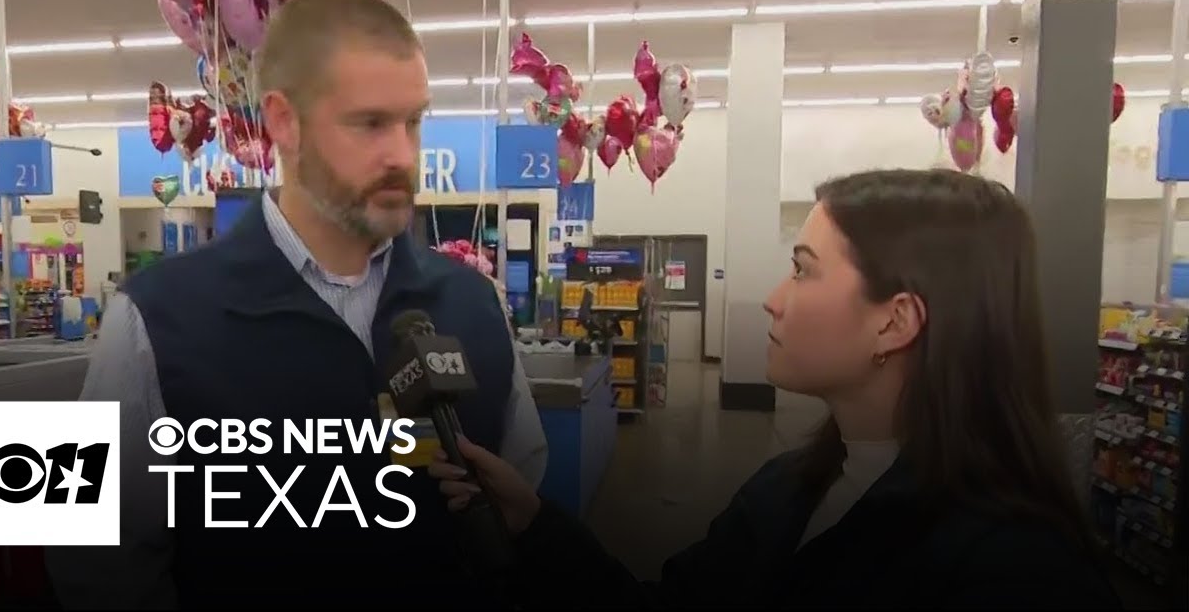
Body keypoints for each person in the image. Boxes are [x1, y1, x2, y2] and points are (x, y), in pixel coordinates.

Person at [46, 0, 547, 609]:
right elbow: (85, 560)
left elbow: (526, 501)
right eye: (369, 123)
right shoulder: (149, 316)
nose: (402, 154)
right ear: (284, 122)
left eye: (413, 120)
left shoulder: (476, 303)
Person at [430, 169, 1123, 609]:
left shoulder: (1021, 572)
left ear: (896, 321)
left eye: (804, 269)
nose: (772, 299)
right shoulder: (788, 489)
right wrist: (536, 526)